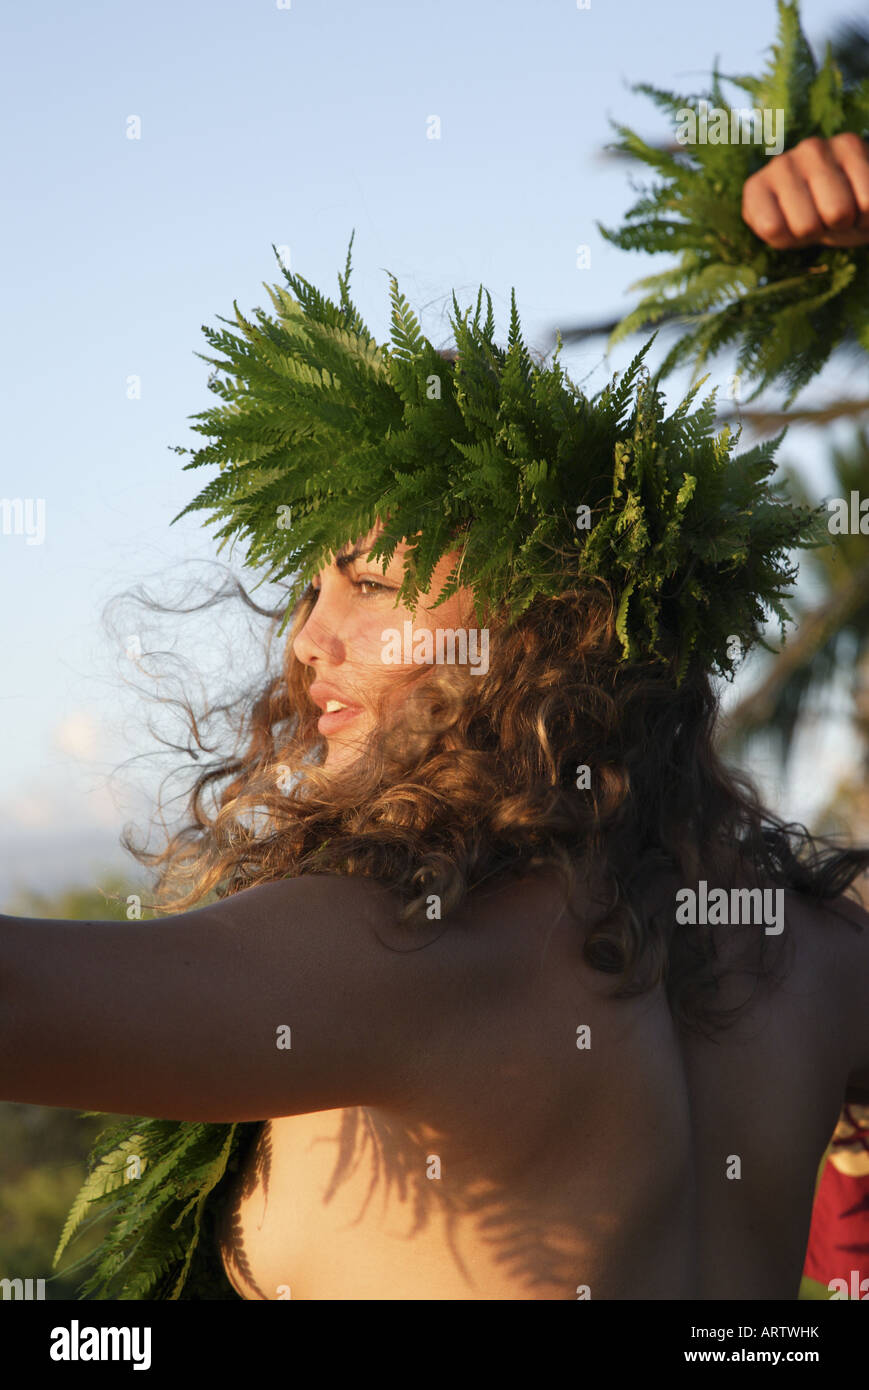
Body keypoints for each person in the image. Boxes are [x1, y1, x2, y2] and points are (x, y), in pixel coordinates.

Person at [3, 134, 869, 1303]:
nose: (309, 639)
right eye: (311, 589)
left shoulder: (407, 957)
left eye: (366, 584)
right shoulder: (805, 960)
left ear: (548, 617)